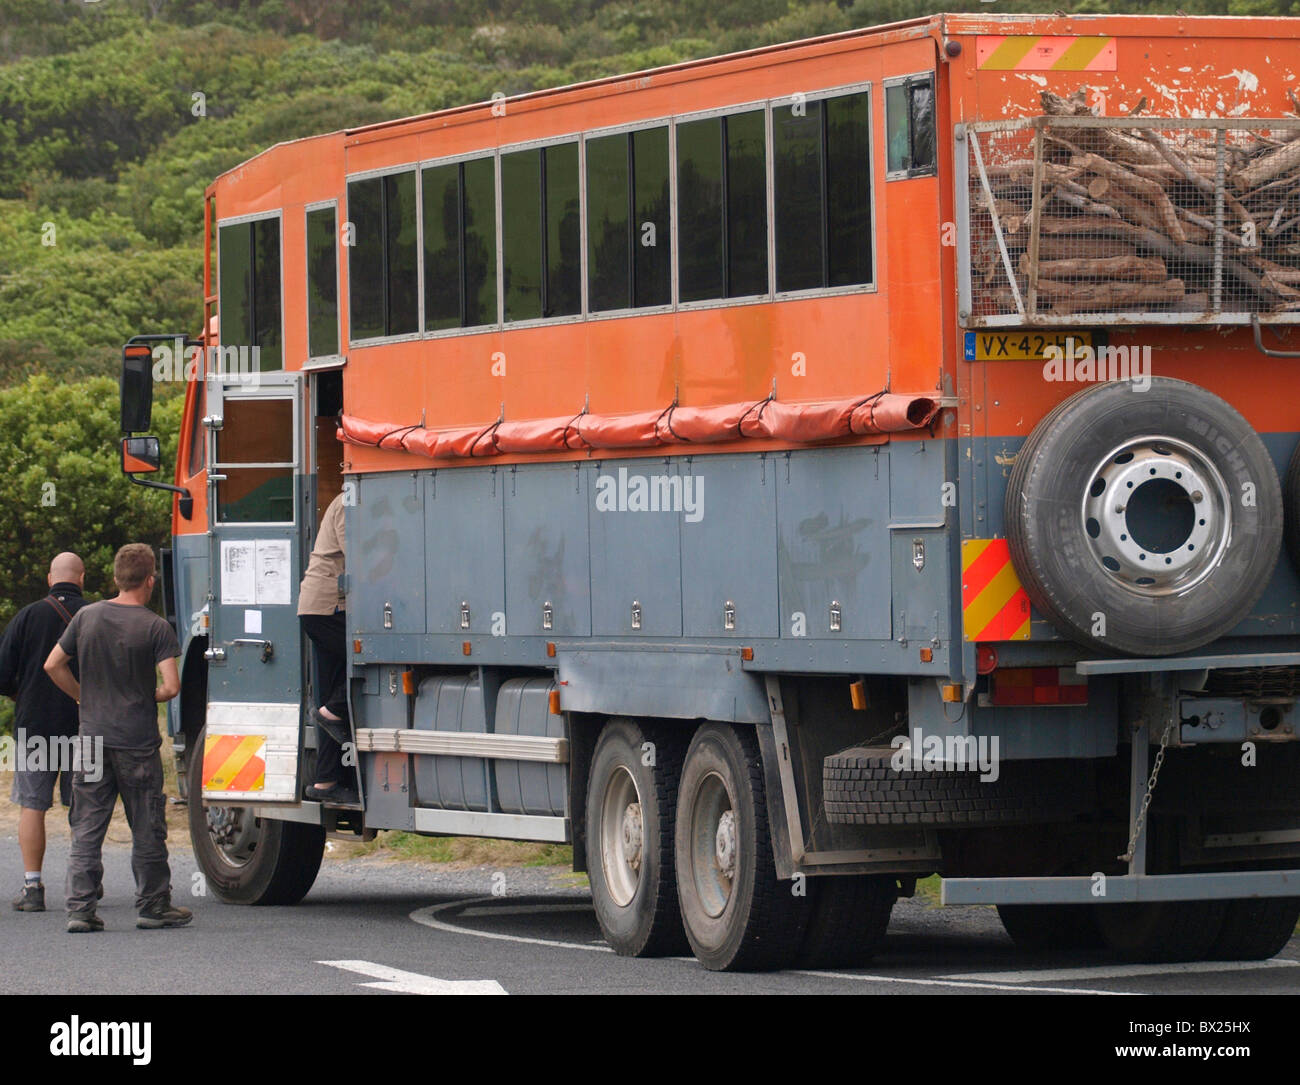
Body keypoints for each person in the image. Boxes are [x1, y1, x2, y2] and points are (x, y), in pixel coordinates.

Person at [44, 543, 189, 933]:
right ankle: (153, 905)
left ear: (114, 578)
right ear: (150, 580)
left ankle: (80, 909)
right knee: (146, 825)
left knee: (87, 826)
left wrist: (82, 695)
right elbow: (171, 686)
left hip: (91, 739)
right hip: (137, 742)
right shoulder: (156, 626)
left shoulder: (87, 616)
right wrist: (146, 695)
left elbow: (52, 664)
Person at [0, 553, 88, 911]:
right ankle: (84, 883)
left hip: (35, 726)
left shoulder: (27, 616)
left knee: (32, 806)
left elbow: (2, 675)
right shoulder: (95, 615)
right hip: (86, 727)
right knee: (85, 807)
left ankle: (33, 888)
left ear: (49, 578)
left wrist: (23, 696)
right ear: (81, 578)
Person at [297, 489, 357, 805]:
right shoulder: (349, 502)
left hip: (322, 607)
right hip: (327, 607)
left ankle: (325, 782)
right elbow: (356, 555)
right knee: (371, 654)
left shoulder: (345, 499)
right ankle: (333, 710)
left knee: (332, 686)